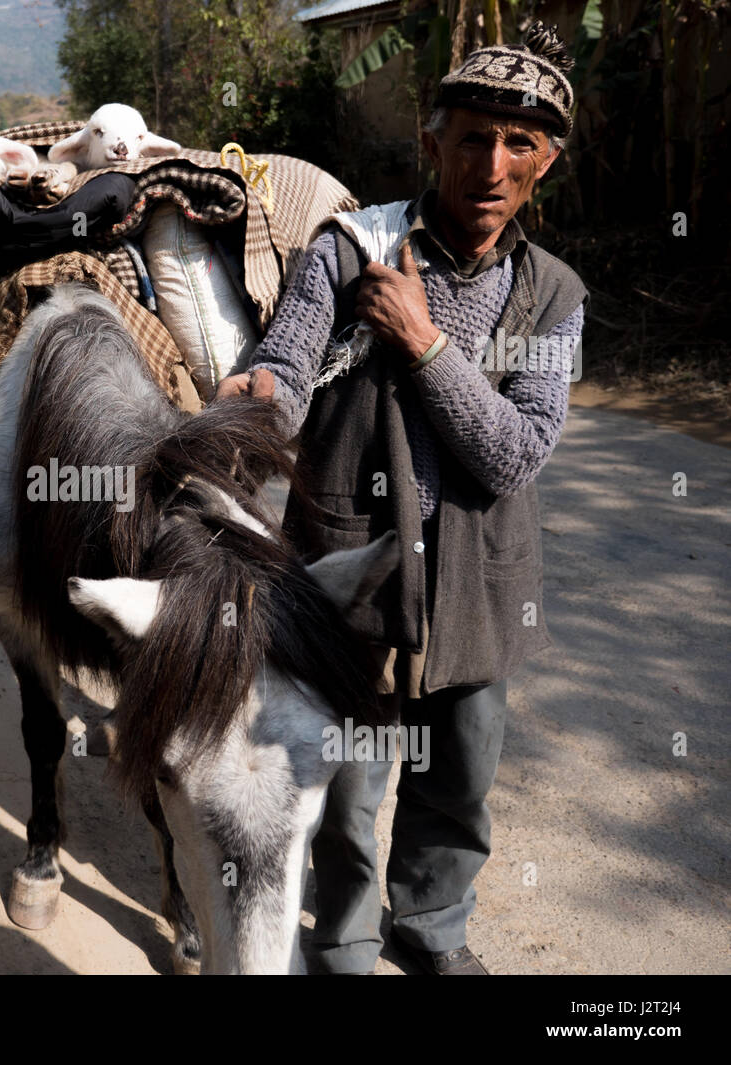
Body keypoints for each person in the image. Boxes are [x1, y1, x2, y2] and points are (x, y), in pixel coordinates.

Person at [216, 22, 587, 974]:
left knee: (456, 787)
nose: (492, 164)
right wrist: (260, 399)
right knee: (346, 794)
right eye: (472, 137)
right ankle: (342, 945)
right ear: (432, 144)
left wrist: (423, 342)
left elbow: (513, 457)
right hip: (351, 580)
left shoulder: (554, 297)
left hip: (478, 584)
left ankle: (432, 936)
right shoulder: (349, 251)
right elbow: (290, 356)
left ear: (546, 164)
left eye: (520, 145)